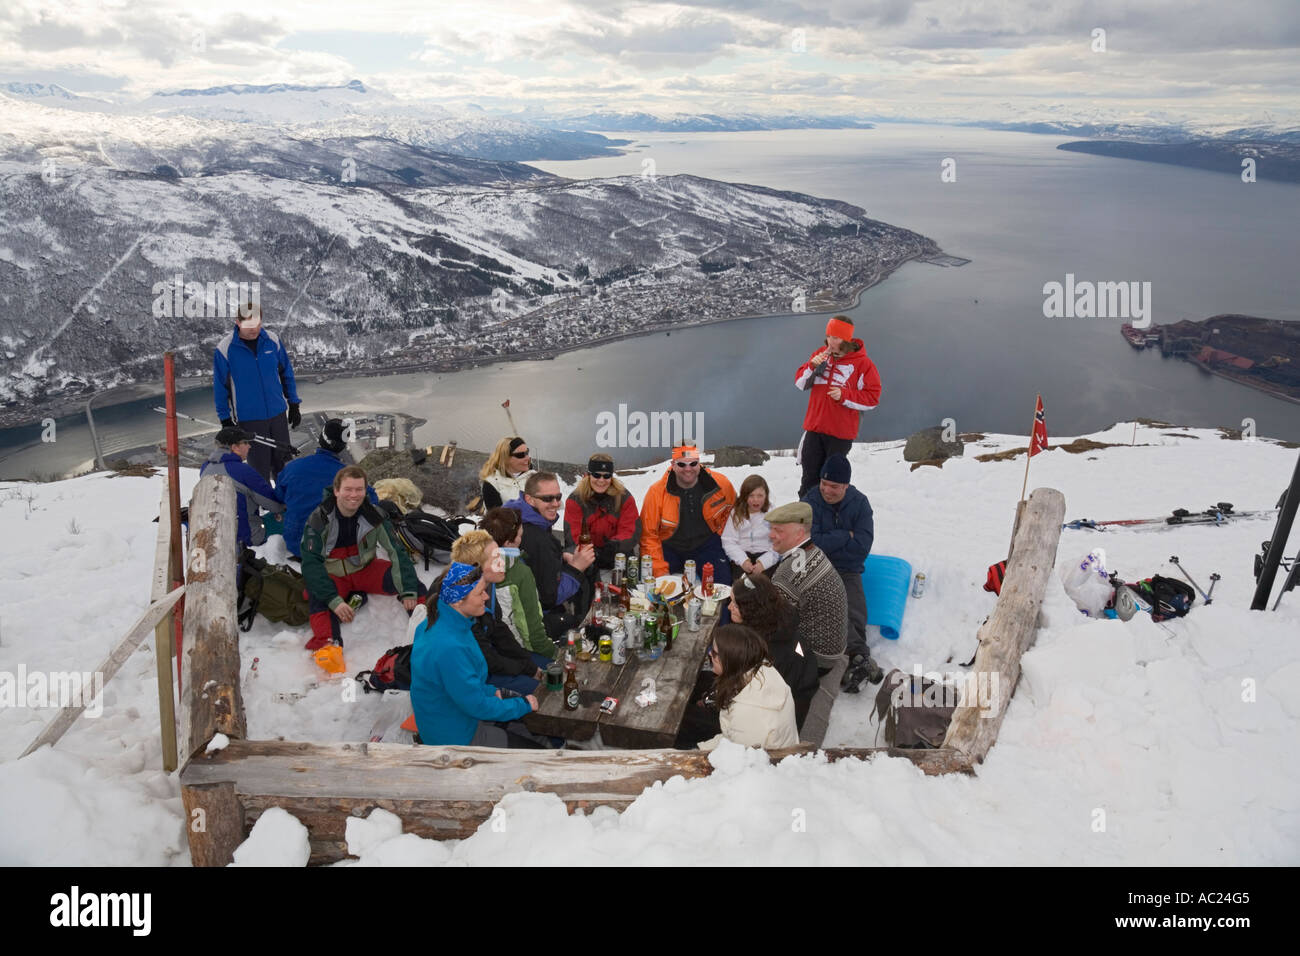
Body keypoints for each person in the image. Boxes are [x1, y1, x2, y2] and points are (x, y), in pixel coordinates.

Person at [409, 561, 540, 747]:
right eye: (480, 593)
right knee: (536, 752)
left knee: (526, 727)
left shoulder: (450, 621)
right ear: (457, 601)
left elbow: (465, 686)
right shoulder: (448, 646)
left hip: (456, 714)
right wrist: (523, 705)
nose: (486, 597)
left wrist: (493, 692)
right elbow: (475, 704)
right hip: (455, 736)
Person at [300, 465, 427, 651]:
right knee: (318, 599)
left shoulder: (374, 515)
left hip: (365, 569)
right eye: (348, 489)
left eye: (359, 489)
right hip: (333, 575)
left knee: (415, 586)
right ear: (336, 491)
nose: (354, 495)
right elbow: (311, 564)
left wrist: (407, 590)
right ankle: (329, 649)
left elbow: (396, 551)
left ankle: (426, 630)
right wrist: (334, 600)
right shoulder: (319, 519)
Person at [766, 500, 848, 746]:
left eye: (778, 530)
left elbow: (773, 626)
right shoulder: (812, 551)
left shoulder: (787, 573)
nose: (771, 535)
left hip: (817, 658)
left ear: (799, 532)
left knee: (764, 646)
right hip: (835, 646)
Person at [803, 454, 883, 692]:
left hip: (848, 569)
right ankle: (858, 658)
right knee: (831, 607)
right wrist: (843, 536)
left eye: (834, 486)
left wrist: (832, 543)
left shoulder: (860, 504)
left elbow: (862, 546)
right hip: (818, 566)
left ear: (846, 485)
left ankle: (854, 659)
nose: (827, 490)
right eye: (824, 484)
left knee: (856, 609)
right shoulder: (810, 501)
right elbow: (810, 543)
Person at [449, 530, 553, 695]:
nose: (503, 562)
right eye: (496, 558)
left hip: (490, 656)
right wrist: (528, 669)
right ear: (478, 566)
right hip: (474, 673)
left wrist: (530, 665)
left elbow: (499, 631)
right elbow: (486, 659)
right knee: (541, 690)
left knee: (552, 667)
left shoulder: (486, 587)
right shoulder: (461, 599)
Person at [212, 301, 302, 481]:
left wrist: (293, 403)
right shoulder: (225, 349)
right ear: (237, 322)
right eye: (249, 325)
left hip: (277, 414)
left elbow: (286, 373)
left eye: (257, 324)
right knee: (259, 471)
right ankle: (261, 508)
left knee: (285, 466)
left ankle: (287, 506)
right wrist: (225, 419)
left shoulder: (272, 340)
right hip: (249, 420)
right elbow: (220, 387)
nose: (254, 330)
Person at [794, 314, 881, 497]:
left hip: (840, 434)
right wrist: (811, 366)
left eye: (835, 337)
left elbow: (872, 398)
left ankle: (831, 519)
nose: (830, 341)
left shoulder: (862, 364)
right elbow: (800, 384)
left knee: (832, 482)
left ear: (846, 339)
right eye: (828, 336)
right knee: (809, 479)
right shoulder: (820, 355)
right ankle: (805, 520)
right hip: (815, 428)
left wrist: (844, 395)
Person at [505, 472, 594, 639]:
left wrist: (560, 557)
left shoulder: (518, 516)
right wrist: (576, 569)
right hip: (532, 619)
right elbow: (549, 598)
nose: (556, 503)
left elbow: (536, 563)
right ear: (530, 500)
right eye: (548, 499)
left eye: (558, 497)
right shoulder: (537, 538)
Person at [729, 573, 820, 732]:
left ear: (750, 610)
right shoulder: (777, 623)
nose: (729, 607)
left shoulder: (765, 654)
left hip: (773, 724)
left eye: (735, 605)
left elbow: (752, 704)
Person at [275, 418, 375, 559]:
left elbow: (279, 496)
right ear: (342, 446)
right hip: (331, 547)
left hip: (296, 543)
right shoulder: (348, 475)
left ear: (321, 437)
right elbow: (373, 501)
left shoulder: (292, 468)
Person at [640, 445, 736, 584]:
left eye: (693, 463)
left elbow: (732, 513)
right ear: (672, 464)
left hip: (707, 545)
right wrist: (660, 572)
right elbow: (648, 535)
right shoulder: (656, 493)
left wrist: (722, 536)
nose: (688, 469)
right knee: (651, 585)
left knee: (723, 587)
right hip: (669, 547)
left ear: (699, 462)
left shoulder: (720, 484)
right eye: (681, 464)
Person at [696, 625, 799, 752]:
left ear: (731, 660)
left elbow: (736, 755)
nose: (710, 654)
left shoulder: (747, 716)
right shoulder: (762, 667)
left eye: (715, 653)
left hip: (761, 764)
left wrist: (697, 751)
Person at [481, 507, 556, 662]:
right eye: (520, 535)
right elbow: (530, 630)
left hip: (488, 647)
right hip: (518, 650)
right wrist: (553, 653)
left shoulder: (474, 562)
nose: (522, 538)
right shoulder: (519, 572)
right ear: (509, 542)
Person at [199, 425, 285, 548]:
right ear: (235, 448)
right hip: (246, 536)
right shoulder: (244, 471)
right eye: (245, 443)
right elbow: (274, 505)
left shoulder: (205, 468)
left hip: (215, 532)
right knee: (290, 518)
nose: (249, 446)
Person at [563, 453, 640, 571]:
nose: (601, 480)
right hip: (587, 557)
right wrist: (592, 552)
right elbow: (573, 534)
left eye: (606, 476)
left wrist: (615, 546)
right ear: (588, 475)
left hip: (618, 555)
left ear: (611, 477)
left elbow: (631, 529)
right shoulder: (575, 500)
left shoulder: (624, 497)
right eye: (596, 475)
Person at [721, 474, 780, 581]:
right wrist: (743, 561)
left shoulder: (772, 513)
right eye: (751, 496)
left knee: (764, 584)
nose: (755, 500)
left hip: (765, 555)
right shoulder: (736, 513)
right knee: (741, 584)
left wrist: (763, 563)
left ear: (766, 495)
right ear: (744, 496)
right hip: (742, 555)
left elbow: (779, 544)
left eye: (760, 496)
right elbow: (728, 541)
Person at [479, 436, 535, 510]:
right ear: (505, 458)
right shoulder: (492, 484)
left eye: (527, 452)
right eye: (520, 455)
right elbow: (496, 518)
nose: (527, 458)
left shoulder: (535, 478)